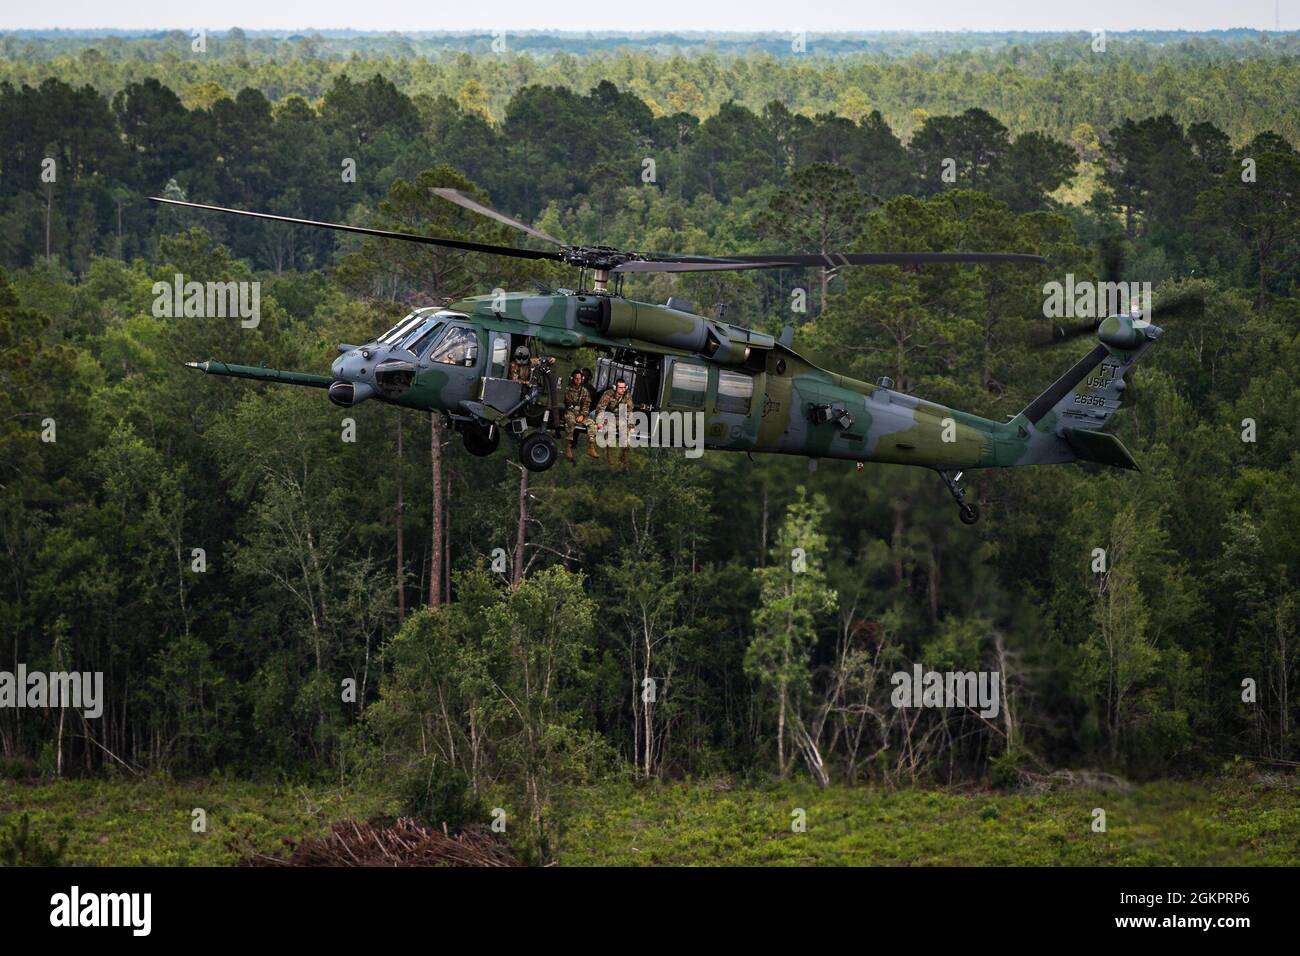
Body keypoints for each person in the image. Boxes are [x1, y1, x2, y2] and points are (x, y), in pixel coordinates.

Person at [595, 378, 635, 467]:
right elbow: (600, 408)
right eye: (620, 387)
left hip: (620, 416)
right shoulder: (608, 394)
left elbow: (629, 410)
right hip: (608, 415)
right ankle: (609, 453)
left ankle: (623, 456)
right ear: (615, 387)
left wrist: (631, 425)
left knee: (626, 435)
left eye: (624, 387)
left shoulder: (627, 396)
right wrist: (599, 422)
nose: (622, 389)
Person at [563, 370, 596, 463]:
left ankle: (591, 446)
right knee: (571, 421)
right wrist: (576, 412)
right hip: (570, 412)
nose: (578, 380)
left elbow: (587, 404)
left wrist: (582, 415)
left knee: (592, 424)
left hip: (581, 414)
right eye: (576, 379)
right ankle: (568, 447)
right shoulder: (568, 389)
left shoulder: (585, 391)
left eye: (580, 378)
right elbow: (567, 403)